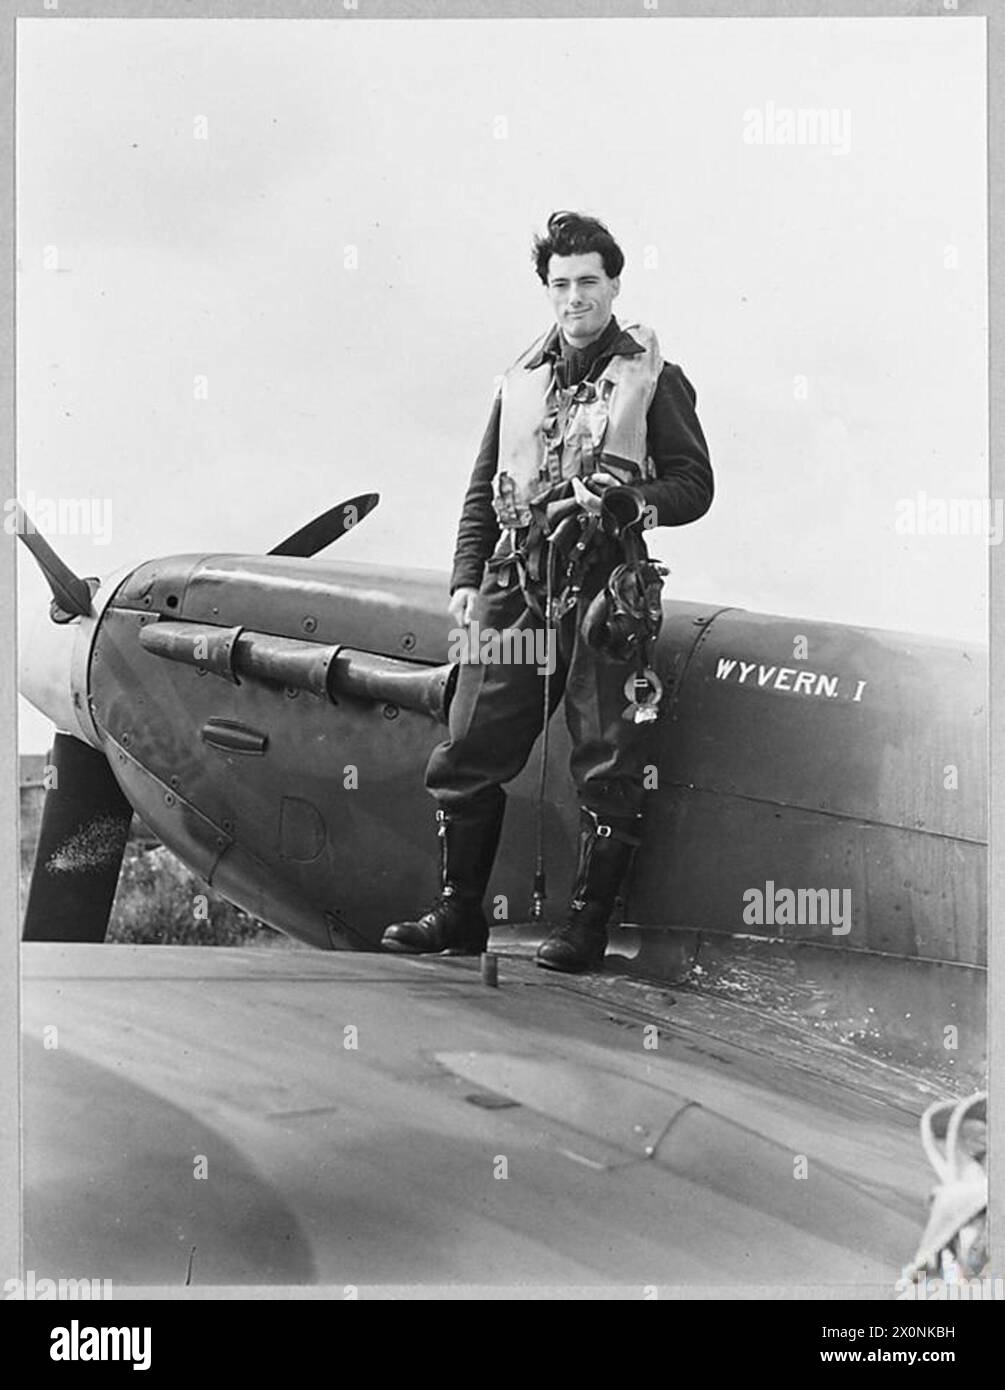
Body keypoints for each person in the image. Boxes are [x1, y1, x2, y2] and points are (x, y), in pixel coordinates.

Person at [382, 211, 713, 972]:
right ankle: (460, 914)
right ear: (547, 291)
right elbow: (479, 491)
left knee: (607, 759)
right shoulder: (519, 382)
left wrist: (628, 503)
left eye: (588, 282)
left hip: (606, 589)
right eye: (560, 284)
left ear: (614, 285)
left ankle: (586, 928)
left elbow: (695, 485)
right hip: (514, 585)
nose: (574, 298)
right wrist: (465, 580)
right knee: (466, 746)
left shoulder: (656, 379)